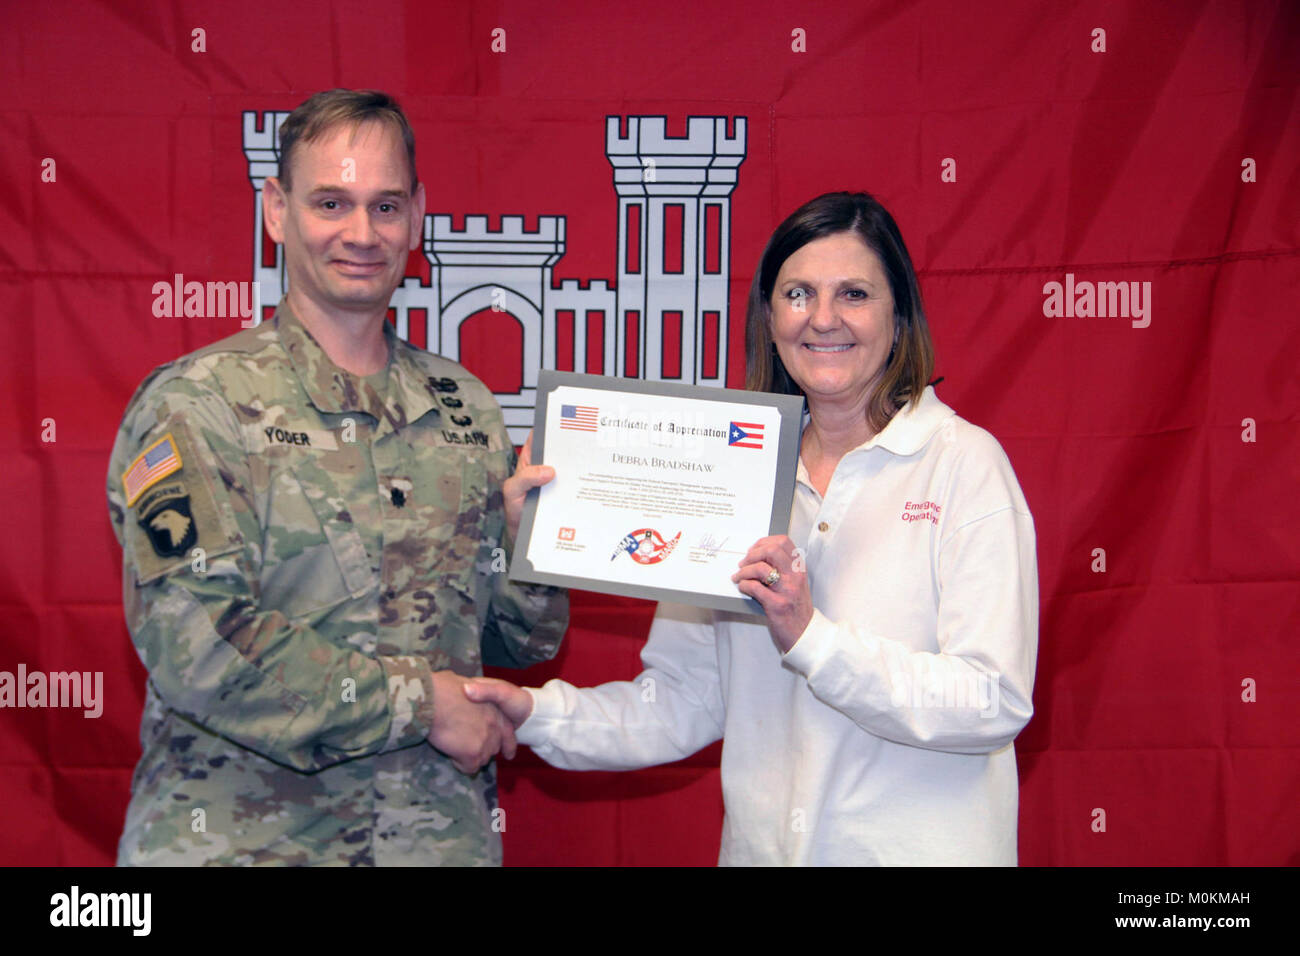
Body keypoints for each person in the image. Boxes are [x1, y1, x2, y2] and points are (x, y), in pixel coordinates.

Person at [466, 191, 1038, 865]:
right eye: (798, 294)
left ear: (899, 314)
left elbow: (991, 703)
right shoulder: (730, 478)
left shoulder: (962, 466)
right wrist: (534, 715)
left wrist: (813, 639)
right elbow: (679, 704)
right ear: (768, 318)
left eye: (853, 293)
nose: (824, 319)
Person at [106, 89, 567, 866]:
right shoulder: (197, 406)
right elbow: (201, 646)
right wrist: (423, 706)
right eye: (331, 203)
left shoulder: (466, 409)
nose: (361, 233)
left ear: (417, 216)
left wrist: (530, 553)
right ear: (277, 210)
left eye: (386, 206)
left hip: (431, 844)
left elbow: (511, 645)